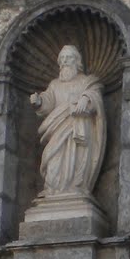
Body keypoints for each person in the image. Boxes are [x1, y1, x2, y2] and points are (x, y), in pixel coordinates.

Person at [30, 44, 106, 198]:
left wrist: (86, 98)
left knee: (78, 159)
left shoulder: (86, 82)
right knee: (53, 158)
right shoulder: (54, 85)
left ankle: (76, 188)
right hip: (58, 128)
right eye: (62, 58)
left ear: (76, 61)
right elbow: (48, 100)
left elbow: (95, 93)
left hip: (80, 128)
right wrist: (39, 101)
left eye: (68, 57)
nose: (65, 61)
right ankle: (53, 189)